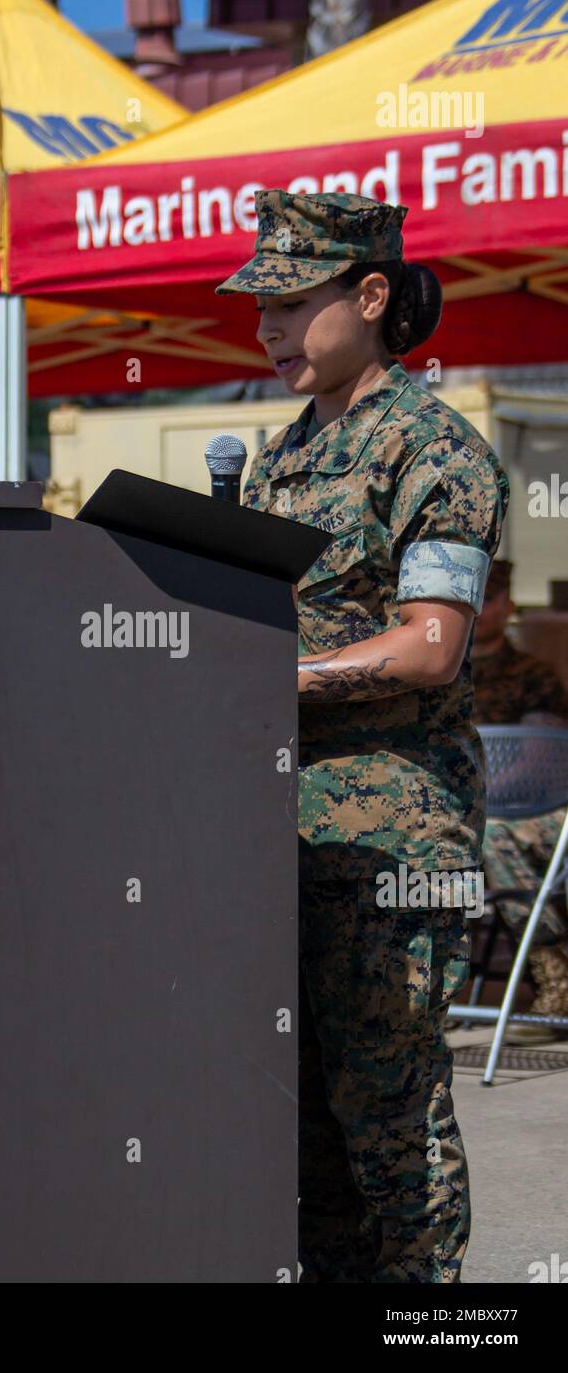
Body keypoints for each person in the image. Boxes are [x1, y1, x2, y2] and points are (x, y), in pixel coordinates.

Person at [216, 188, 510, 1283]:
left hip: (394, 843)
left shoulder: (435, 450)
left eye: (289, 303)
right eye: (259, 308)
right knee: (295, 1122)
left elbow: (428, 645)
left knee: (387, 1111)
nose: (267, 329)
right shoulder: (283, 454)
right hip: (276, 832)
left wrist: (268, 675)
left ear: (370, 295)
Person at [471, 559, 568, 1043]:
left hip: (535, 807)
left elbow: (538, 758)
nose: (478, 607)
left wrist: (485, 790)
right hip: (468, 810)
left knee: (494, 837)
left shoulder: (533, 674)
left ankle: (552, 970)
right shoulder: (446, 672)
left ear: (508, 604)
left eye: (488, 597)